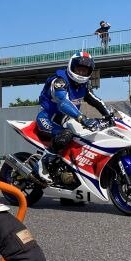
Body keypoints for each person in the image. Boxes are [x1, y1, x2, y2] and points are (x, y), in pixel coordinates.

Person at [33, 51, 113, 184]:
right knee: (66, 135)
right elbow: (63, 102)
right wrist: (82, 118)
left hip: (67, 119)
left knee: (88, 135)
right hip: (47, 118)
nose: (81, 72)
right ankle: (43, 164)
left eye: (85, 70)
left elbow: (95, 101)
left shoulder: (83, 86)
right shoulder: (59, 81)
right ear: (71, 67)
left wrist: (109, 115)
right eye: (79, 69)